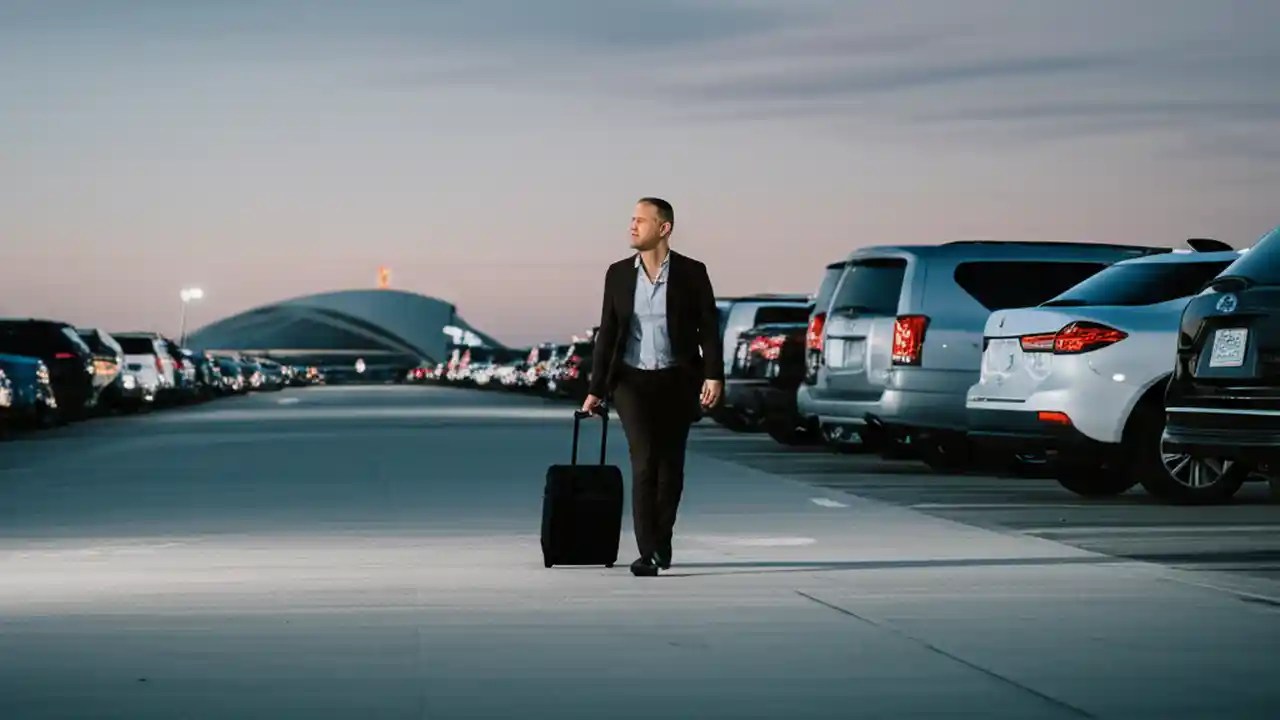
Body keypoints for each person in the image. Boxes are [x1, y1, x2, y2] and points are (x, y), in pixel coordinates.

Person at [581, 197, 724, 577]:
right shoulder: (618, 274)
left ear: (664, 229)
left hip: (677, 379)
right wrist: (596, 389)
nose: (632, 226)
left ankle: (663, 539)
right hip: (632, 381)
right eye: (631, 219)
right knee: (644, 461)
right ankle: (648, 550)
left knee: (670, 465)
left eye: (640, 221)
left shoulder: (693, 273)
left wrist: (714, 374)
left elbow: (708, 327)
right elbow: (608, 334)